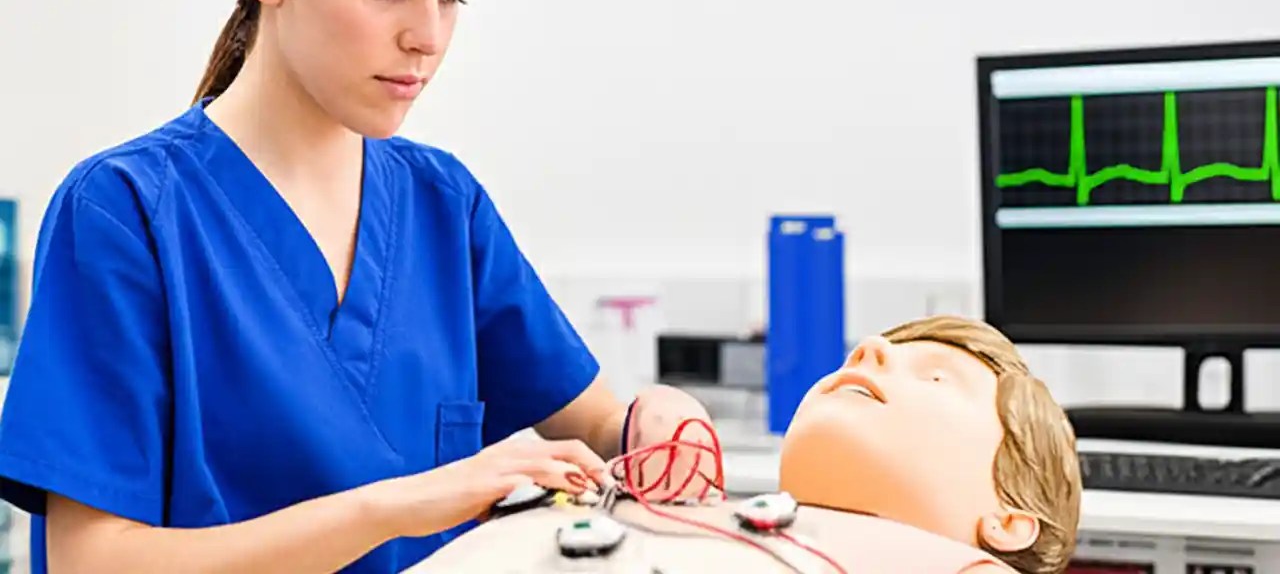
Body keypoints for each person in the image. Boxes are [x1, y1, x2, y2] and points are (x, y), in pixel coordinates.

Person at [0, 0, 715, 572]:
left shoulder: (444, 206)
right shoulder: (126, 212)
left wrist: (654, 420)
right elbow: (90, 561)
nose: (427, 36)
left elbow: (593, 424)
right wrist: (397, 506)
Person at [403, 316, 1083, 574]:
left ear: (1010, 522)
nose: (871, 349)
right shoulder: (684, 511)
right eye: (867, 351)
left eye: (937, 376)